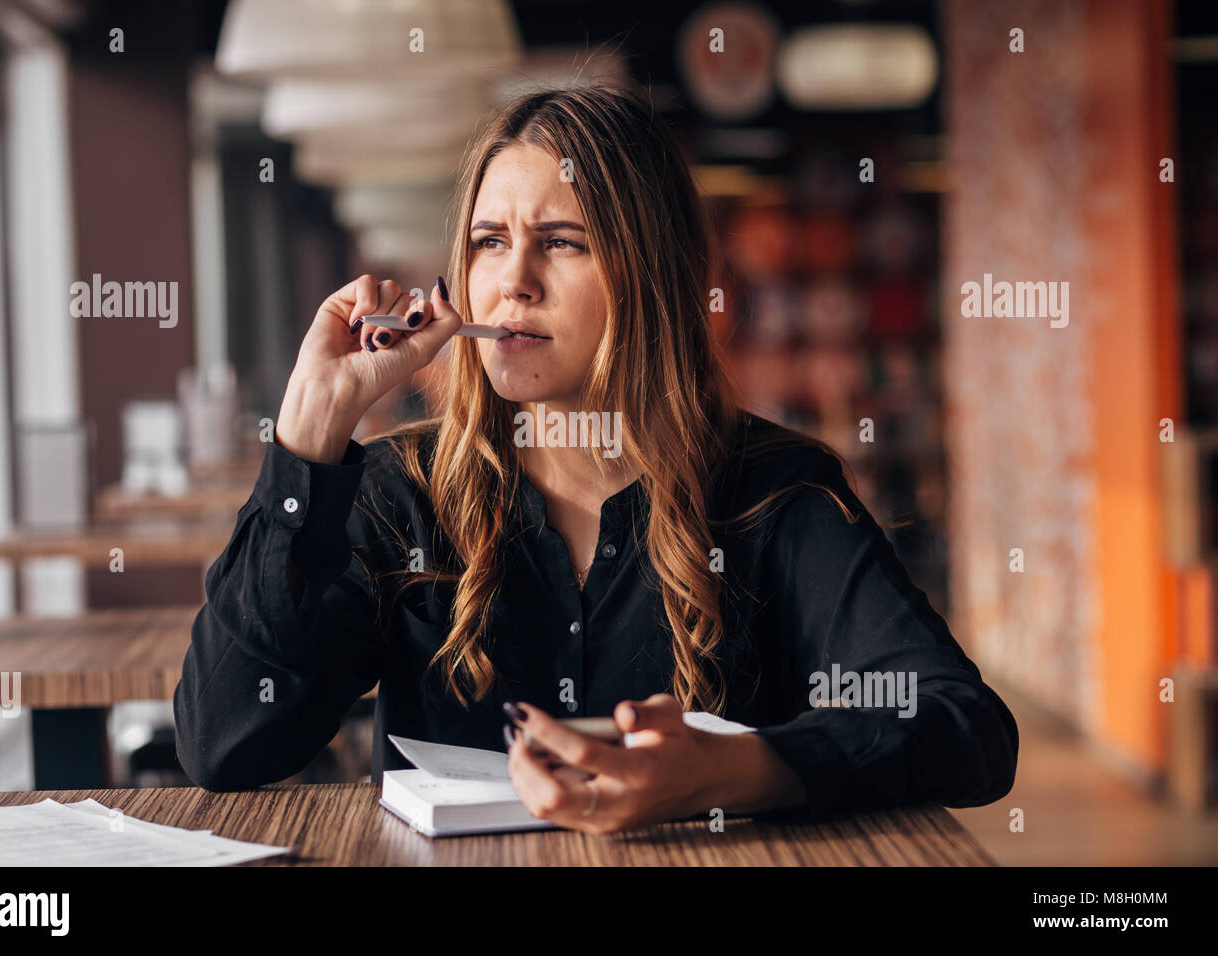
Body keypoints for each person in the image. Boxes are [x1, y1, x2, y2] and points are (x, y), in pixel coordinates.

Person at [173, 85, 1018, 835]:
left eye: (563, 241)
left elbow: (962, 725)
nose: (515, 282)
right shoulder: (403, 496)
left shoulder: (775, 489)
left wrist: (740, 770)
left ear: (650, 273)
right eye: (489, 241)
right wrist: (310, 430)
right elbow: (225, 744)